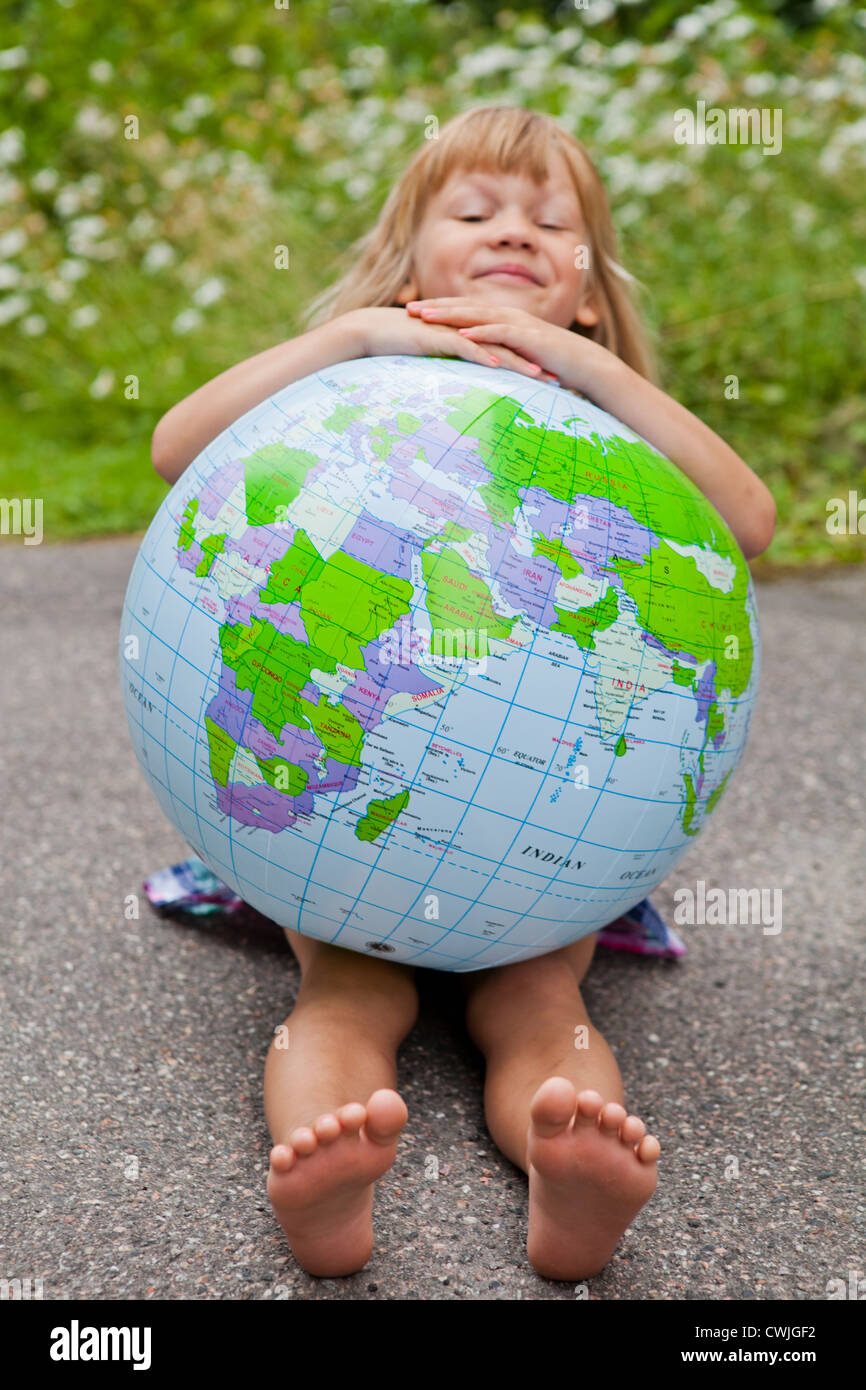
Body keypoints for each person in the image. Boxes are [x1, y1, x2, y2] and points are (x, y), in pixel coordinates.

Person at [150, 105, 776, 1282]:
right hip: (341, 817)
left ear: (590, 289)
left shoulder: (600, 431)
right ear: (408, 262)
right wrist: (357, 338)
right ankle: (321, 1173)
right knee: (343, 985)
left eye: (553, 224)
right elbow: (178, 447)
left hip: (552, 843)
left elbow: (746, 522)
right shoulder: (358, 394)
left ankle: (565, 1177)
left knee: (542, 999)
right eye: (476, 212)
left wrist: (582, 364)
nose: (514, 235)